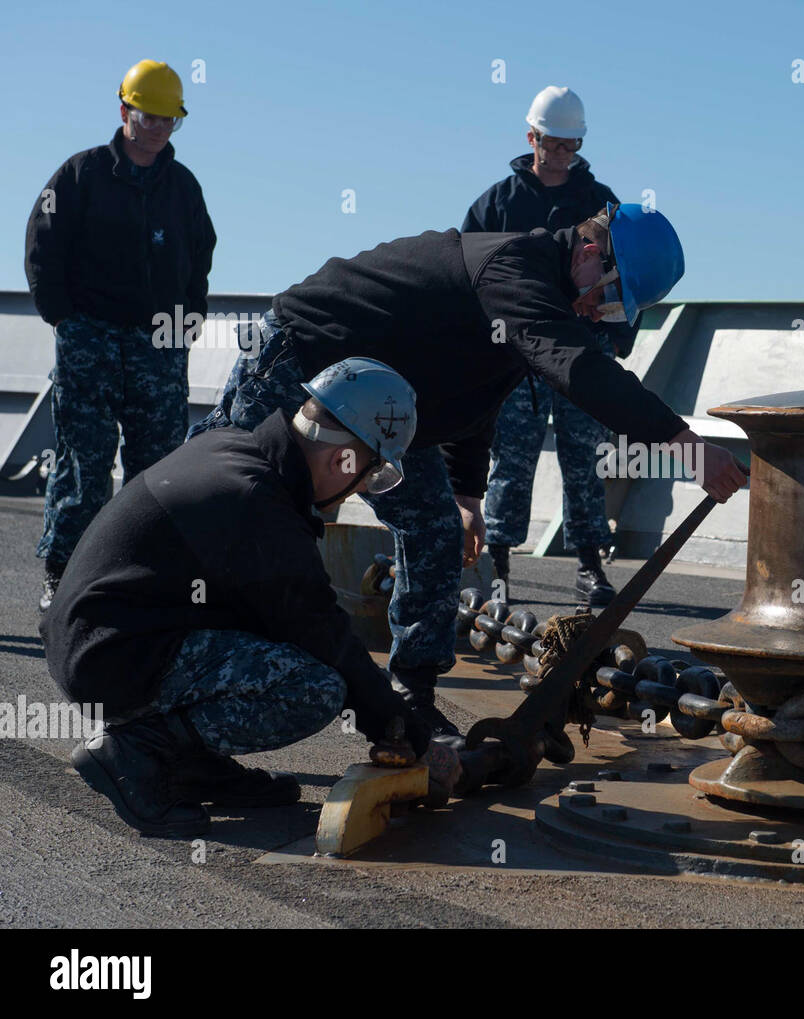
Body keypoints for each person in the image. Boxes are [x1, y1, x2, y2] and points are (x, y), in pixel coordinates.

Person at [189, 203, 748, 738]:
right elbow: (580, 369)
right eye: (607, 298)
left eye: (613, 311)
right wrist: (688, 447)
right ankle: (173, 647)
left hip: (383, 404)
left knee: (435, 527)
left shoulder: (531, 297)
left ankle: (412, 695)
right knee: (231, 502)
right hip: (305, 361)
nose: (596, 314)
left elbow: (473, 396)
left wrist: (465, 494)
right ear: (588, 249)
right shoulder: (516, 268)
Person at [40, 360, 455, 838]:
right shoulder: (256, 500)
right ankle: (139, 751)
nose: (363, 486)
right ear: (343, 457)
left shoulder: (236, 450)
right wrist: (406, 734)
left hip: (107, 639)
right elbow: (323, 635)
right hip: (112, 659)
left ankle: (192, 765)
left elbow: (284, 615)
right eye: (370, 471)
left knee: (281, 645)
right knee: (312, 687)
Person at [25, 59, 217, 612]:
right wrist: (65, 319)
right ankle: (62, 577)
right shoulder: (80, 175)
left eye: (168, 120)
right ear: (124, 110)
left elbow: (200, 258)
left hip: (159, 343)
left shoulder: (183, 188)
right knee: (84, 461)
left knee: (156, 468)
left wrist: (186, 323)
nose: (157, 128)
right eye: (148, 116)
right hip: (90, 337)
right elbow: (43, 245)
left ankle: (141, 576)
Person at [464, 85, 633, 607]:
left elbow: (626, 274)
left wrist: (618, 333)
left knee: (583, 457)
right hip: (515, 355)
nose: (562, 154)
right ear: (531, 137)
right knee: (510, 459)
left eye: (572, 146)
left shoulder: (603, 204)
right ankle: (500, 567)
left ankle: (589, 564)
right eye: (553, 143)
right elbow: (468, 274)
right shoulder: (497, 203)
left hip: (585, 349)